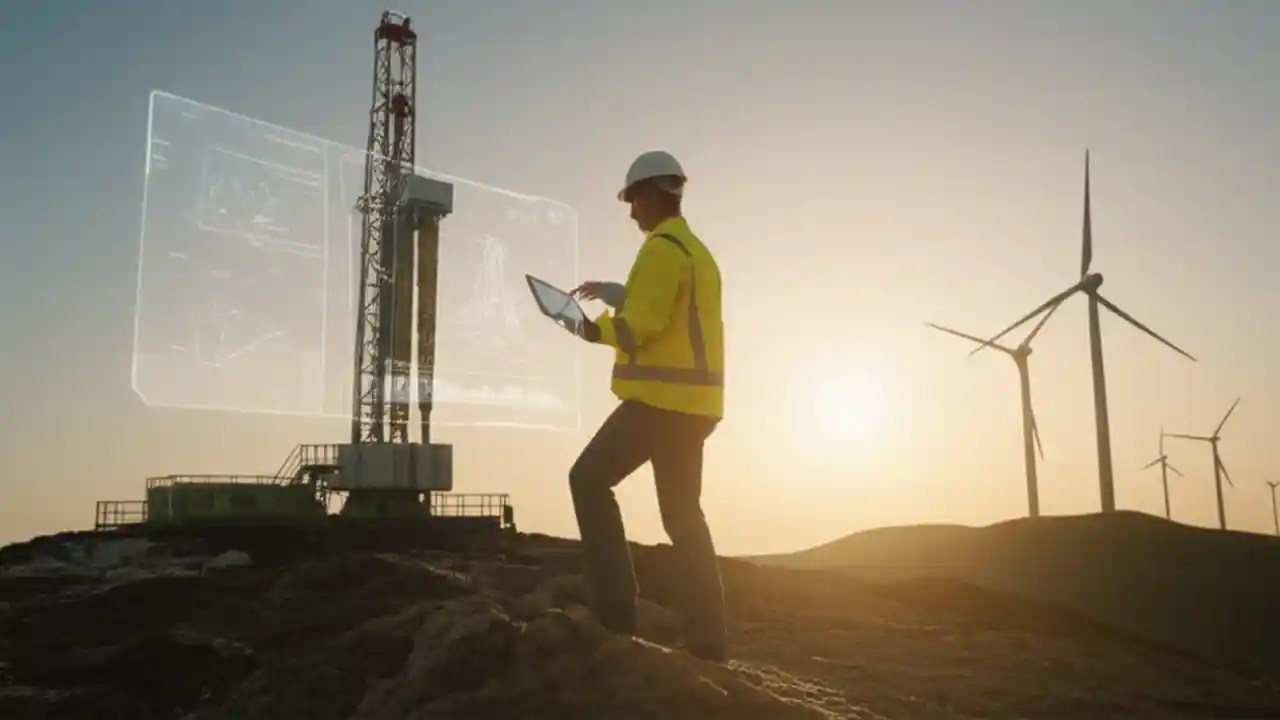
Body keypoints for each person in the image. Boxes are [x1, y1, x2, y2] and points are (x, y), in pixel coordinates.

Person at [568, 149, 727, 662]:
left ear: (654, 193)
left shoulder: (660, 249)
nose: (631, 211)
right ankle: (708, 640)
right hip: (697, 407)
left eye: (633, 198)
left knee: (588, 479)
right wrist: (622, 294)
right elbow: (669, 316)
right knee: (683, 516)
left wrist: (587, 328)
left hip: (660, 402)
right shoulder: (696, 251)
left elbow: (643, 327)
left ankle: (615, 615)